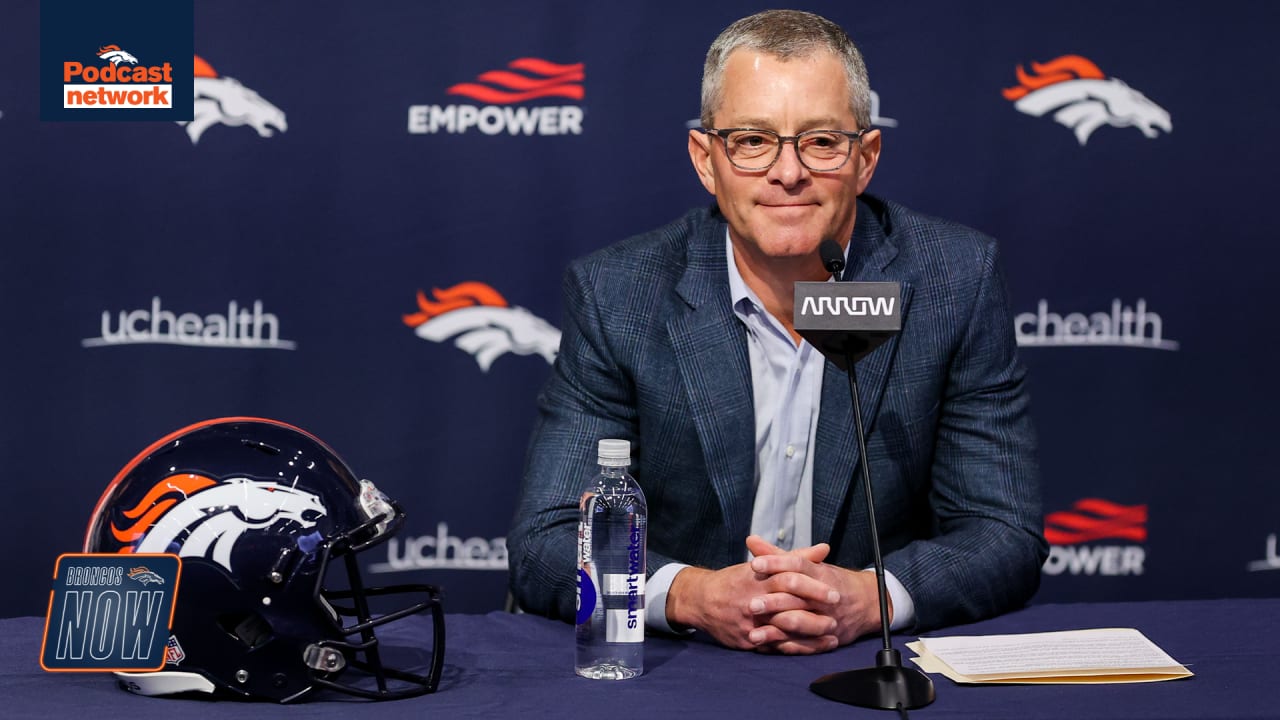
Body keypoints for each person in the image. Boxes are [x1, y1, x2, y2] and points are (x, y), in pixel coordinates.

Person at [508, 9, 1047, 655]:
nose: (788, 172)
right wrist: (692, 595)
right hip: (688, 666)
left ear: (865, 159)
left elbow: (1002, 530)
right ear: (707, 160)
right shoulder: (619, 294)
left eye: (821, 141)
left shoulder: (952, 281)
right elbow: (547, 538)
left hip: (861, 660)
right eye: (752, 140)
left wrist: (869, 598)